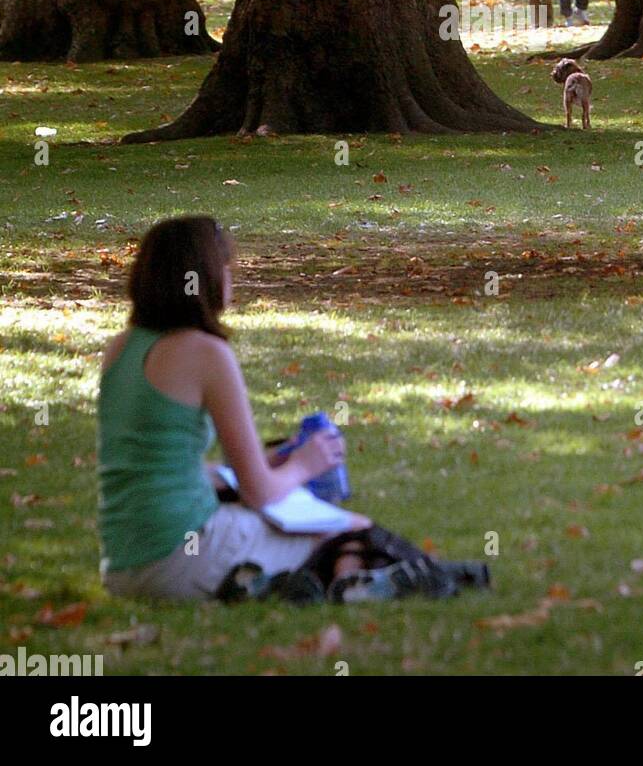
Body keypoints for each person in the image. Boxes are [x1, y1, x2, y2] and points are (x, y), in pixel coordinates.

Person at [98, 217, 486, 603]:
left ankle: (322, 584)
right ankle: (369, 583)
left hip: (123, 567)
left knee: (292, 527)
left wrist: (253, 464)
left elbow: (150, 463)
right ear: (210, 278)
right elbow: (261, 494)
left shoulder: (120, 349)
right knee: (347, 529)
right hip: (181, 559)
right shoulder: (206, 352)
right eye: (228, 270)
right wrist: (305, 463)